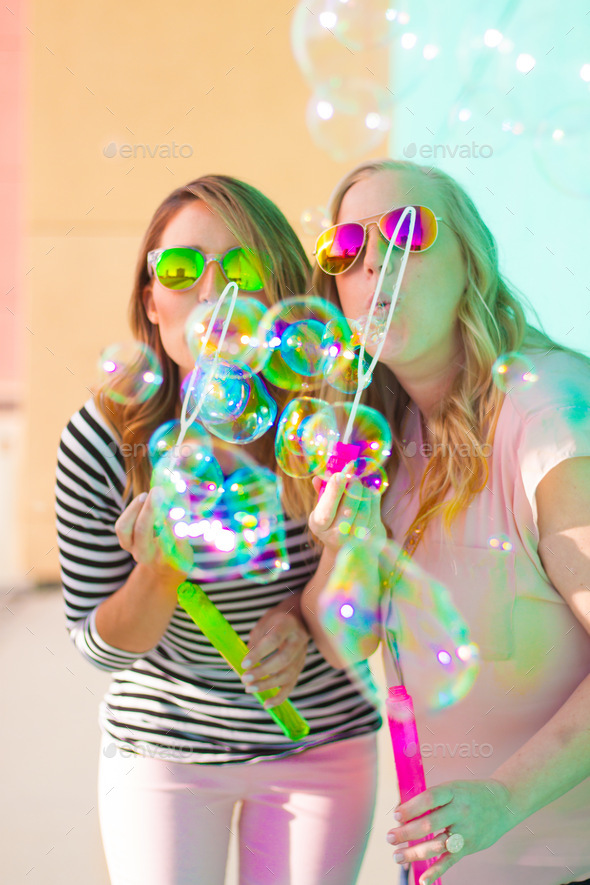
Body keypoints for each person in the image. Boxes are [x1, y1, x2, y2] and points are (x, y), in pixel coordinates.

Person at [55, 174, 382, 885]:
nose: (212, 292)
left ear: (280, 295)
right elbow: (99, 649)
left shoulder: (330, 424)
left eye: (242, 267)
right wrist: (161, 572)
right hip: (163, 749)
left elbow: (360, 621)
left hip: (320, 744)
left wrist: (303, 614)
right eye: (180, 269)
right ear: (151, 298)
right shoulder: (103, 441)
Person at [302, 158, 590, 885]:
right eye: (346, 248)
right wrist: (354, 548)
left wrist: (503, 797)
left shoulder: (546, 420)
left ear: (472, 260)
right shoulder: (382, 440)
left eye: (406, 231)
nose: (375, 263)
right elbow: (349, 642)